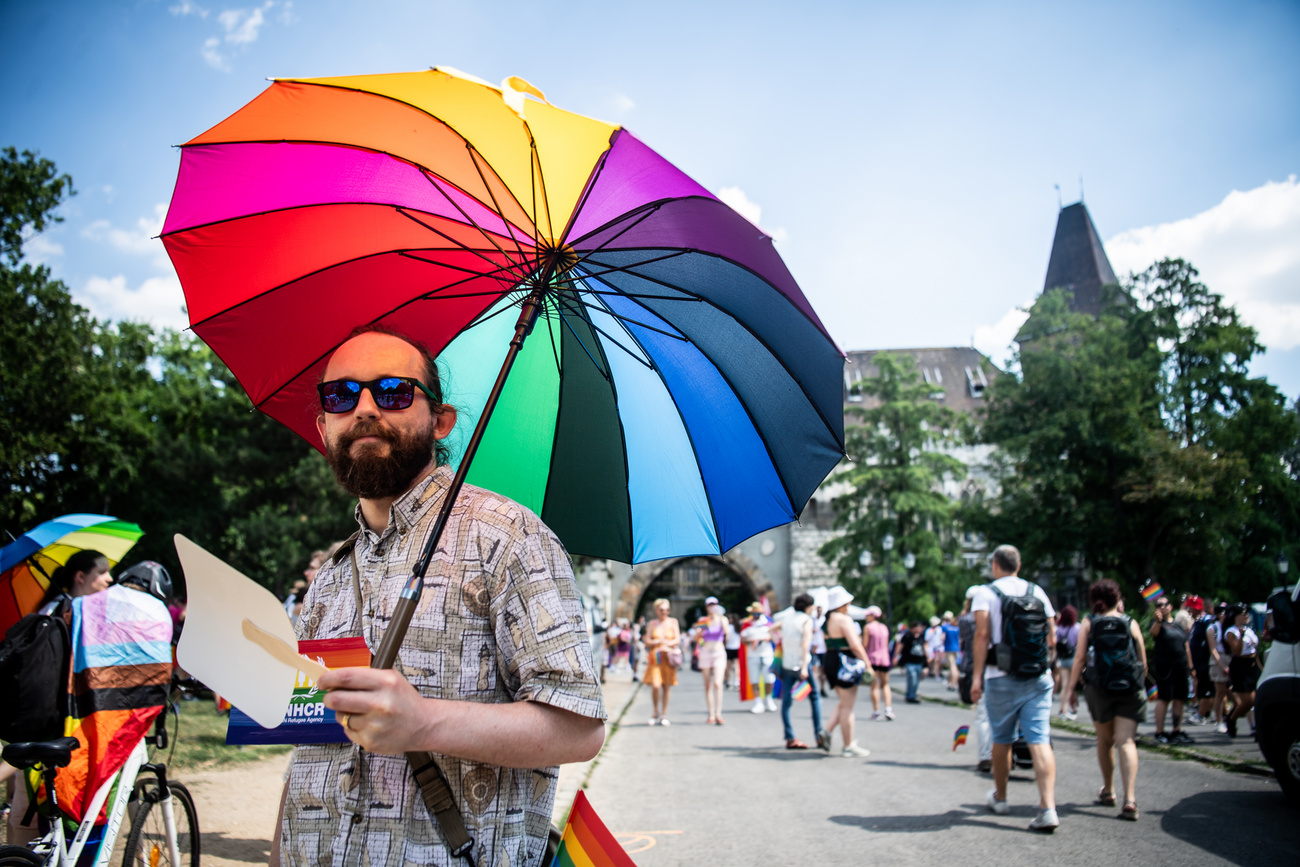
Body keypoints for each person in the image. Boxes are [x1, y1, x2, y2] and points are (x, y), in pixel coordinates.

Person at [271, 327, 606, 867]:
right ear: (322, 425)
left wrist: (423, 721)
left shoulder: (507, 536)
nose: (363, 408)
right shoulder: (333, 572)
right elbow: (309, 750)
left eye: (392, 392)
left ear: (440, 420)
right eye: (340, 395)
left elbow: (579, 726)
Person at [7, 548, 114, 845]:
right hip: (62, 725)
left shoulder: (49, 609)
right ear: (81, 577)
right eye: (102, 572)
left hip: (37, 722)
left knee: (25, 816)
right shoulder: (74, 616)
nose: (109, 578)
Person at [970, 544, 1059, 833]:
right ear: (1018, 566)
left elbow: (982, 636)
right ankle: (1047, 808)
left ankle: (1001, 797)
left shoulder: (986, 593)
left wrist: (977, 677)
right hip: (1038, 676)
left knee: (1002, 739)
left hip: (1001, 676)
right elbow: (1052, 637)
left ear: (995, 565)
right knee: (1039, 740)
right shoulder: (1038, 592)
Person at [1065, 578, 1147, 822]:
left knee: (1105, 740)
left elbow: (1079, 659)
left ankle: (1109, 790)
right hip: (1129, 689)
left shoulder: (1089, 623)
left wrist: (1071, 690)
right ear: (1117, 598)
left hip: (1099, 689)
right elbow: (1142, 661)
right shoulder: (1130, 623)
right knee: (1126, 742)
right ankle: (1130, 799)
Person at [820, 586, 873, 757]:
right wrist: (867, 663)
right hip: (846, 662)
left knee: (844, 702)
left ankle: (827, 731)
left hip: (831, 660)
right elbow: (855, 645)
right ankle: (848, 745)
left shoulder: (826, 620)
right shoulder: (843, 619)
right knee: (848, 707)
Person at [779, 593, 827, 750]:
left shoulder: (787, 619)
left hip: (787, 664)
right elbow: (805, 643)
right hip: (801, 664)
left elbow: (772, 629)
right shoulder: (807, 620)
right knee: (814, 698)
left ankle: (790, 737)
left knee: (786, 701)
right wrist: (805, 667)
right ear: (808, 607)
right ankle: (818, 735)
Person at [1150, 597, 1195, 745]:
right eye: (1159, 605)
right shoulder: (1158, 624)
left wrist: (1191, 667)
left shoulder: (1177, 625)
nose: (1163, 606)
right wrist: (1158, 621)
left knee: (1180, 698)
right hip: (1165, 668)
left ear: (1171, 606)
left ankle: (1177, 731)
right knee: (1164, 698)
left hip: (1181, 667)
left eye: (1165, 604)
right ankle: (1159, 732)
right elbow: (1154, 633)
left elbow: (1186, 646)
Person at [957, 588, 993, 773]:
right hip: (993, 666)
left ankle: (984, 755)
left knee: (981, 715)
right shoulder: (991, 619)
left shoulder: (964, 619)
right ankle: (996, 753)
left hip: (972, 666)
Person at [1222, 604, 1260, 738]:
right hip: (1240, 666)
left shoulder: (1248, 629)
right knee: (1248, 701)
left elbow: (1255, 650)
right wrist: (1241, 636)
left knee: (1256, 699)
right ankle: (1231, 719)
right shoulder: (1231, 631)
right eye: (1242, 614)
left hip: (1252, 664)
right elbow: (1236, 651)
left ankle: (1256, 727)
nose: (1246, 616)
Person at [642, 598, 681, 726]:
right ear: (657, 610)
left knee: (666, 686)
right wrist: (657, 642)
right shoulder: (652, 624)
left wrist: (668, 644)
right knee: (656, 685)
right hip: (656, 657)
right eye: (662, 610)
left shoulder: (673, 622)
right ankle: (655, 711)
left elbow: (677, 639)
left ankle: (663, 714)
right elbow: (647, 640)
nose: (665, 612)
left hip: (668, 657)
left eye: (667, 610)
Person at [695, 601, 729, 724]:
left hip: (718, 652)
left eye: (714, 604)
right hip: (705, 652)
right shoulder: (703, 620)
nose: (712, 607)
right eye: (710, 605)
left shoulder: (722, 619)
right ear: (706, 607)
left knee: (717, 683)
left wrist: (721, 619)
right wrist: (701, 630)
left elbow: (727, 633)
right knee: (707, 685)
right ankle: (711, 714)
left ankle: (718, 713)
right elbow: (696, 638)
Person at [741, 603, 778, 713]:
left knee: (769, 679)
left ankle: (769, 699)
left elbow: (776, 639)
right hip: (753, 655)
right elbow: (742, 640)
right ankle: (758, 702)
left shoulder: (769, 624)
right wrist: (752, 641)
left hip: (766, 654)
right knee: (754, 679)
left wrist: (767, 638)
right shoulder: (747, 624)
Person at [862, 605, 894, 720]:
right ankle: (888, 709)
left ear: (872, 616)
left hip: (872, 659)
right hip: (884, 659)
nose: (866, 617)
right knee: (885, 684)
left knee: (874, 686)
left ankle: (876, 711)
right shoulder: (884, 627)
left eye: (867, 615)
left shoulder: (868, 627)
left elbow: (865, 645)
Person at [1207, 601, 1233, 733]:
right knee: (1220, 692)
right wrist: (1222, 665)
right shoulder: (1213, 628)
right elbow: (1213, 649)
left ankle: (1229, 716)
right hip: (1218, 660)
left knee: (1232, 691)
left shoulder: (1230, 627)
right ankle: (1218, 720)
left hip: (1230, 657)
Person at [1053, 605, 1080, 719]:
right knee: (1072, 685)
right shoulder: (1077, 627)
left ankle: (1063, 709)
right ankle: (1072, 708)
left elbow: (1055, 643)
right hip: (1074, 659)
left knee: (1065, 685)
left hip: (1063, 659)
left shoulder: (1059, 628)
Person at [894, 621, 928, 703]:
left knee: (917, 679)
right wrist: (896, 657)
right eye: (918, 627)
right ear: (913, 628)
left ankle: (913, 694)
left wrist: (926, 662)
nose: (919, 629)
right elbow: (900, 647)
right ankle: (910, 696)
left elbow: (924, 649)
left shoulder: (921, 637)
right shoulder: (907, 636)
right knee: (912, 677)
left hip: (919, 661)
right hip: (909, 661)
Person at [941, 611, 961, 691]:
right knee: (952, 666)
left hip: (949, 649)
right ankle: (950, 683)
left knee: (953, 667)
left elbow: (942, 638)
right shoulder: (957, 627)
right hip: (957, 649)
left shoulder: (945, 627)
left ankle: (954, 684)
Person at [723, 612, 742, 689]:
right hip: (737, 647)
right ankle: (737, 681)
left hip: (729, 647)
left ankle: (728, 680)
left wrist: (724, 644)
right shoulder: (739, 627)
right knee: (737, 665)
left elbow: (727, 637)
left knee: (728, 666)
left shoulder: (729, 627)